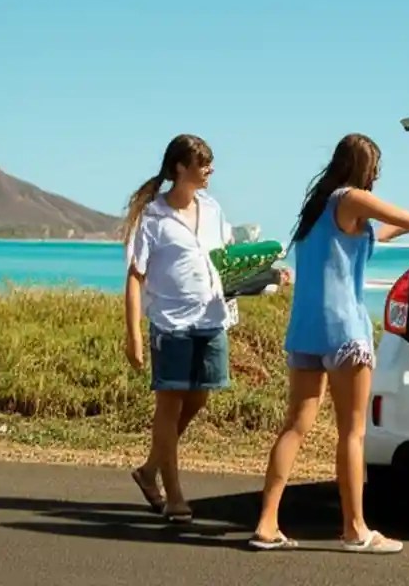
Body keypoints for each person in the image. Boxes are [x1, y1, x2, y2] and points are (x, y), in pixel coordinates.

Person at [249, 133, 409, 554]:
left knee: (296, 426)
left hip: (307, 332)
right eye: (374, 172)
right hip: (345, 332)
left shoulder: (318, 211)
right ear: (364, 169)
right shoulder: (350, 197)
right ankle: (355, 529)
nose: (375, 181)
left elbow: (383, 231)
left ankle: (267, 524)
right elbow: (392, 213)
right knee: (352, 432)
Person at [122, 133, 287, 522]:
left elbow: (229, 259)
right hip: (171, 324)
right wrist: (133, 334)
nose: (210, 169)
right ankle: (173, 494)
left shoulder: (212, 209)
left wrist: (269, 274)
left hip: (212, 318)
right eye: (203, 163)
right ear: (181, 167)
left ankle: (148, 472)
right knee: (170, 403)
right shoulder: (153, 217)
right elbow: (135, 277)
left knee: (199, 398)